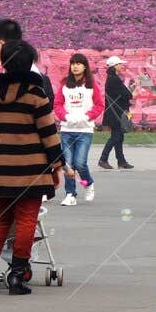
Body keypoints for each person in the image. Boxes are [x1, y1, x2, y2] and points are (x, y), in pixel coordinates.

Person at [0, 39, 62, 294]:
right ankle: (17, 277)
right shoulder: (35, 94)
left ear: (4, 63)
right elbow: (48, 133)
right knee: (26, 221)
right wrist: (57, 166)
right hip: (32, 168)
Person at [54, 53, 104, 206]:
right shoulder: (64, 85)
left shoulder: (91, 85)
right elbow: (57, 105)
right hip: (67, 129)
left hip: (84, 130)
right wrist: (66, 117)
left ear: (84, 66)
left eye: (78, 63)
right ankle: (70, 194)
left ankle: (88, 183)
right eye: (73, 63)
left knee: (80, 163)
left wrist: (87, 117)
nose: (75, 66)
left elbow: (99, 105)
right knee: (68, 163)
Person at [97, 55, 134, 169]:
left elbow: (122, 93)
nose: (121, 66)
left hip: (115, 112)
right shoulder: (115, 79)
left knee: (119, 137)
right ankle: (103, 159)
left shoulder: (112, 78)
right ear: (115, 66)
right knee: (116, 137)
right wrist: (132, 91)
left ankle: (121, 161)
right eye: (119, 64)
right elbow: (126, 94)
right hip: (117, 113)